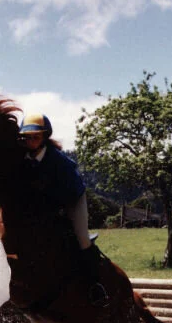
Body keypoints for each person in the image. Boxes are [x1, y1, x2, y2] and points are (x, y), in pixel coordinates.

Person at [18, 112, 109, 307]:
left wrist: (53, 208)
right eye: (27, 137)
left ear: (44, 137)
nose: (31, 141)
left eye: (36, 137)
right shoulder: (21, 158)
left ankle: (95, 285)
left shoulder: (59, 161)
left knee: (82, 240)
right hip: (41, 206)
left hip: (72, 200)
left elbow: (69, 192)